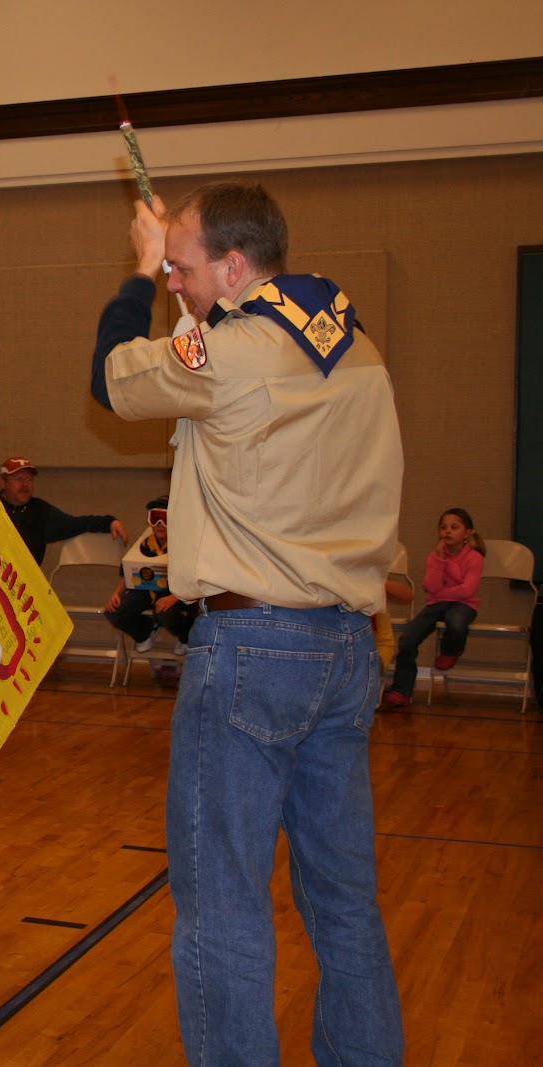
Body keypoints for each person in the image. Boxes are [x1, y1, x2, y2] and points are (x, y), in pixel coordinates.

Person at [92, 179, 405, 1064]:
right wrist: (180, 285)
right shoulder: (358, 348)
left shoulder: (227, 355)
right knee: (345, 903)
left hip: (253, 651)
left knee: (222, 904)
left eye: (184, 270)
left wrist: (137, 271)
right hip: (348, 647)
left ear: (234, 267)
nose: (175, 283)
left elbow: (112, 374)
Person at [383, 509, 486, 707]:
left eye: (454, 527)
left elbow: (467, 590)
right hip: (436, 604)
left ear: (467, 533)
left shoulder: (475, 557)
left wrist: (442, 592)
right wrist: (439, 560)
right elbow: (431, 586)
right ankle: (402, 690)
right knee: (408, 639)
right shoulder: (435, 556)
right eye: (443, 527)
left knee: (456, 621)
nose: (447, 531)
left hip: (464, 605)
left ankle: (451, 651)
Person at [104, 496, 196, 656]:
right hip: (147, 590)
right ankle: (145, 631)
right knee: (114, 611)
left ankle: (186, 637)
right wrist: (116, 594)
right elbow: (128, 573)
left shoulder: (186, 546)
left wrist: (173, 598)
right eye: (155, 519)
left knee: (164, 613)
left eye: (165, 519)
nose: (160, 525)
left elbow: (195, 581)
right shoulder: (145, 545)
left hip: (179, 593)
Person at [0, 456, 126, 565]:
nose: (25, 484)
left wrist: (109, 522)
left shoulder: (40, 511)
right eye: (19, 479)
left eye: (29, 479)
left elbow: (76, 524)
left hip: (25, 585)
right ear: (3, 483)